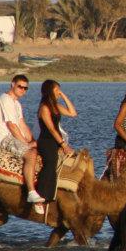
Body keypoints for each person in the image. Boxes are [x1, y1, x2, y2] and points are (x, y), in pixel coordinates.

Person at [0, 75, 41, 210]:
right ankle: (31, 192)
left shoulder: (16, 104)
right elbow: (11, 126)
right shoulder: (5, 99)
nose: (23, 90)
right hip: (4, 138)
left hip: (13, 136)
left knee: (39, 147)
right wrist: (26, 144)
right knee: (30, 154)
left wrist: (32, 140)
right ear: (12, 84)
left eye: (25, 88)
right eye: (20, 87)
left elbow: (21, 124)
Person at [35, 80, 78, 213]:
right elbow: (52, 129)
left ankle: (55, 195)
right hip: (46, 141)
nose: (58, 93)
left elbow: (73, 113)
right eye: (56, 90)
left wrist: (63, 95)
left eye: (59, 90)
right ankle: (39, 198)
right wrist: (64, 145)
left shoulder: (56, 106)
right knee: (50, 162)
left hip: (56, 141)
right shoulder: (44, 108)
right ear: (49, 91)